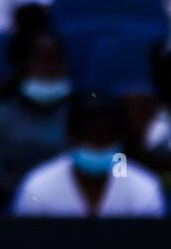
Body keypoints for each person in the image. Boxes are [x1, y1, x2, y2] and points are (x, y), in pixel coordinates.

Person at [0, 6, 74, 210]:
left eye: (57, 60)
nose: (50, 69)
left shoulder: (81, 119)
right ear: (19, 66)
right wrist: (41, 197)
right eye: (41, 61)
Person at [12, 93, 165, 217]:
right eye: (87, 137)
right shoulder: (37, 187)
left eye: (102, 139)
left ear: (119, 139)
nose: (94, 145)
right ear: (71, 137)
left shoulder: (145, 188)